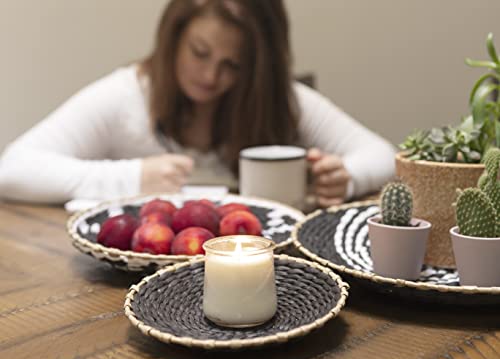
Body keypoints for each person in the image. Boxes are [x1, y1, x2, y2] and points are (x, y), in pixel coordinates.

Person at [0, 0, 395, 207]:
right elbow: (13, 169)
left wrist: (346, 177)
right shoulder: (127, 96)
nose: (210, 77)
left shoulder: (281, 100)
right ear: (173, 36)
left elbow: (385, 155)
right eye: (199, 52)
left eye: (232, 66)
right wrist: (132, 179)